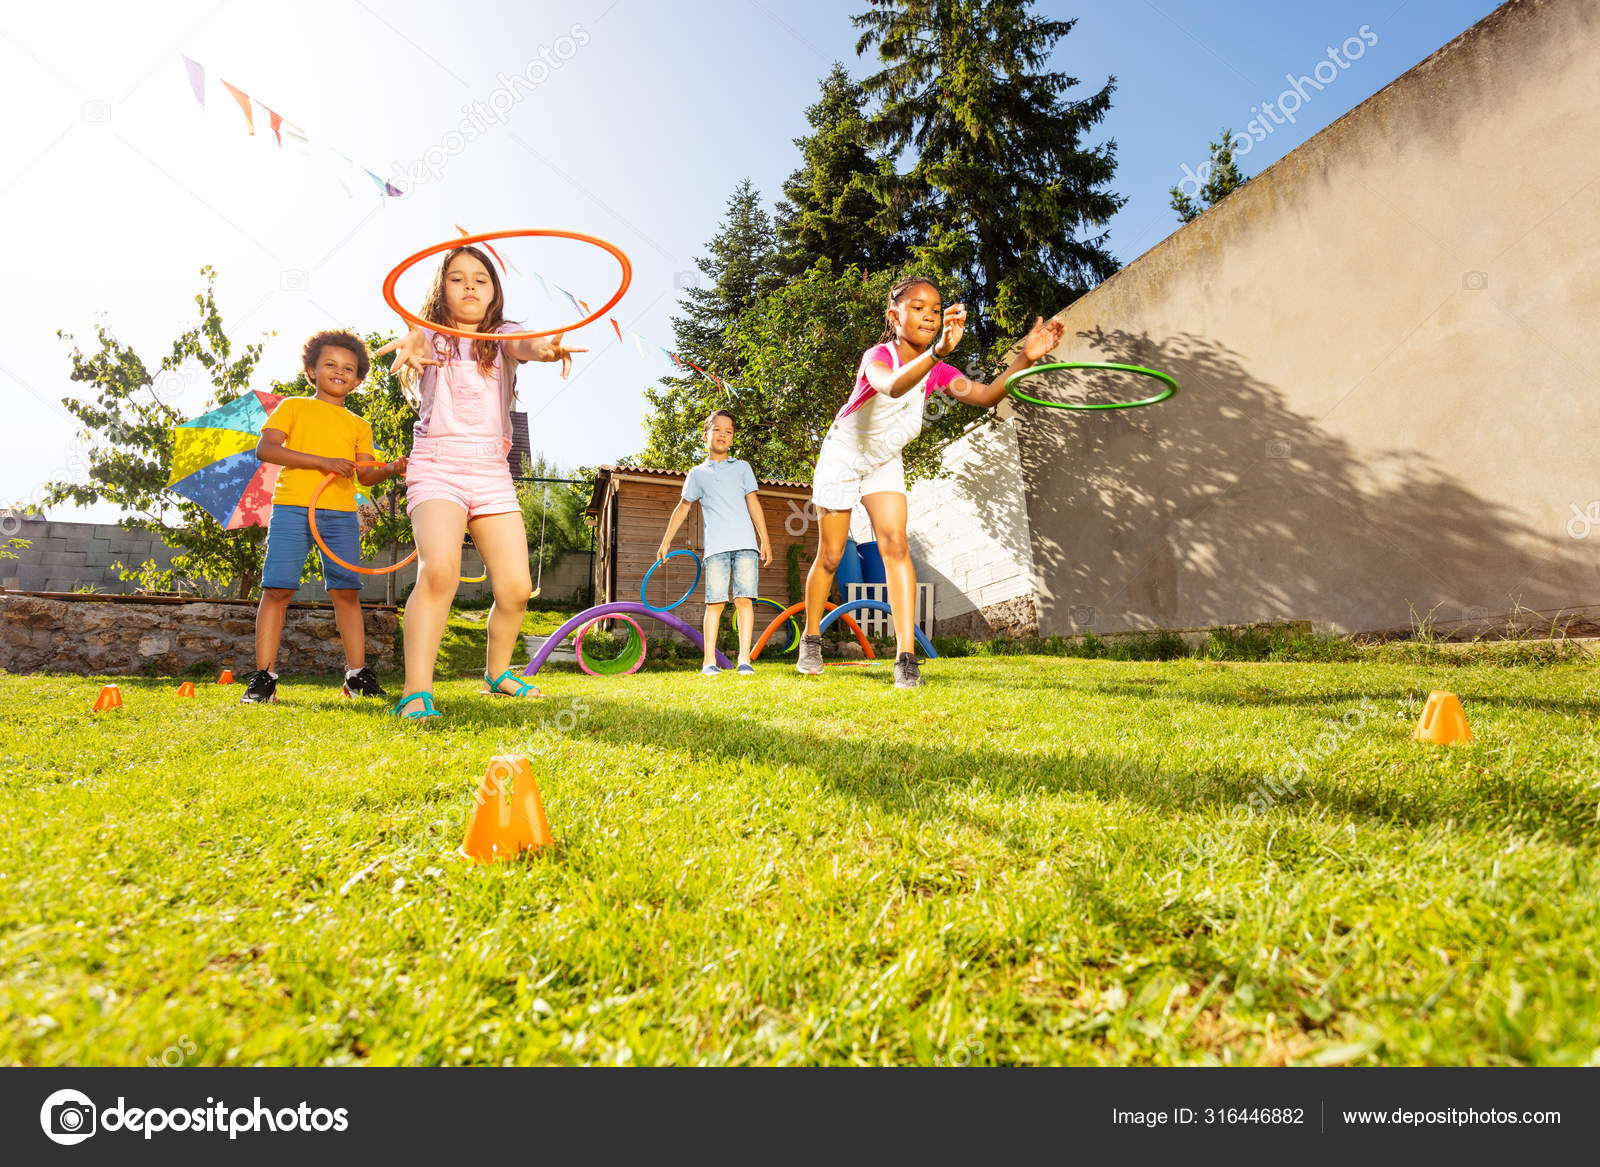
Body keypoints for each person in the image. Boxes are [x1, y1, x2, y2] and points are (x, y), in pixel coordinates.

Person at [799, 276, 1064, 688]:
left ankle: (906, 657)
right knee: (831, 554)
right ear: (895, 315)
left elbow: (987, 394)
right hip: (843, 454)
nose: (929, 315)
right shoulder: (879, 356)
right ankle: (811, 638)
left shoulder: (939, 371)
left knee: (895, 544)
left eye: (936, 309)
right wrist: (937, 352)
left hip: (884, 458)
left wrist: (1025, 357)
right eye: (918, 307)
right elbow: (891, 386)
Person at [376, 245, 584, 722]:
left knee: (515, 589)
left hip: (492, 473)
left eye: (480, 279)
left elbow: (527, 345)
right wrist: (410, 342)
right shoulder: (429, 333)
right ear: (441, 289)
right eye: (457, 278)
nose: (469, 285)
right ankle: (415, 691)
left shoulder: (504, 334)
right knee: (440, 570)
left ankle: (497, 675)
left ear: (494, 293)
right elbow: (417, 340)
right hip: (436, 466)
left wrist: (546, 348)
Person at [245, 330, 405, 704]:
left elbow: (365, 474)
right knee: (278, 589)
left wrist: (391, 469)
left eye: (348, 368)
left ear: (359, 379)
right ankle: (263, 678)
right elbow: (265, 449)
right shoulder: (294, 407)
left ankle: (356, 675)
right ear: (312, 370)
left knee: (346, 592)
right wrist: (322, 461)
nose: (339, 371)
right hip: (293, 506)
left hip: (340, 513)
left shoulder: (359, 425)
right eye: (330, 364)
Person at [655, 410, 772, 675]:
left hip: (746, 545)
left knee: (744, 601)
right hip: (716, 549)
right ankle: (709, 662)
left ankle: (744, 660)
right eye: (717, 429)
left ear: (732, 439)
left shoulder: (742, 468)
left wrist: (765, 539)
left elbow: (754, 504)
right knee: (715, 604)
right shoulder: (697, 474)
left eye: (729, 431)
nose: (723, 435)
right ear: (706, 435)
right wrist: (665, 543)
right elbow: (683, 508)